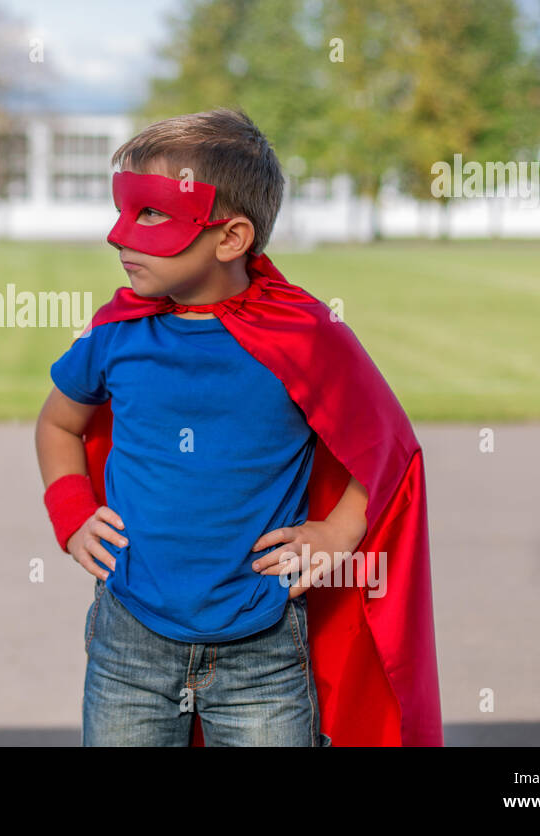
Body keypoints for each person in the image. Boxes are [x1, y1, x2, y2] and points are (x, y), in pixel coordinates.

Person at [34, 107, 441, 747]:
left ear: (230, 238)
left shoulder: (307, 336)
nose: (120, 236)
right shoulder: (115, 334)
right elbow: (60, 421)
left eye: (151, 214)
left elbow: (388, 449)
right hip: (129, 644)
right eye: (124, 210)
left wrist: (339, 531)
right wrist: (69, 507)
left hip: (265, 654)